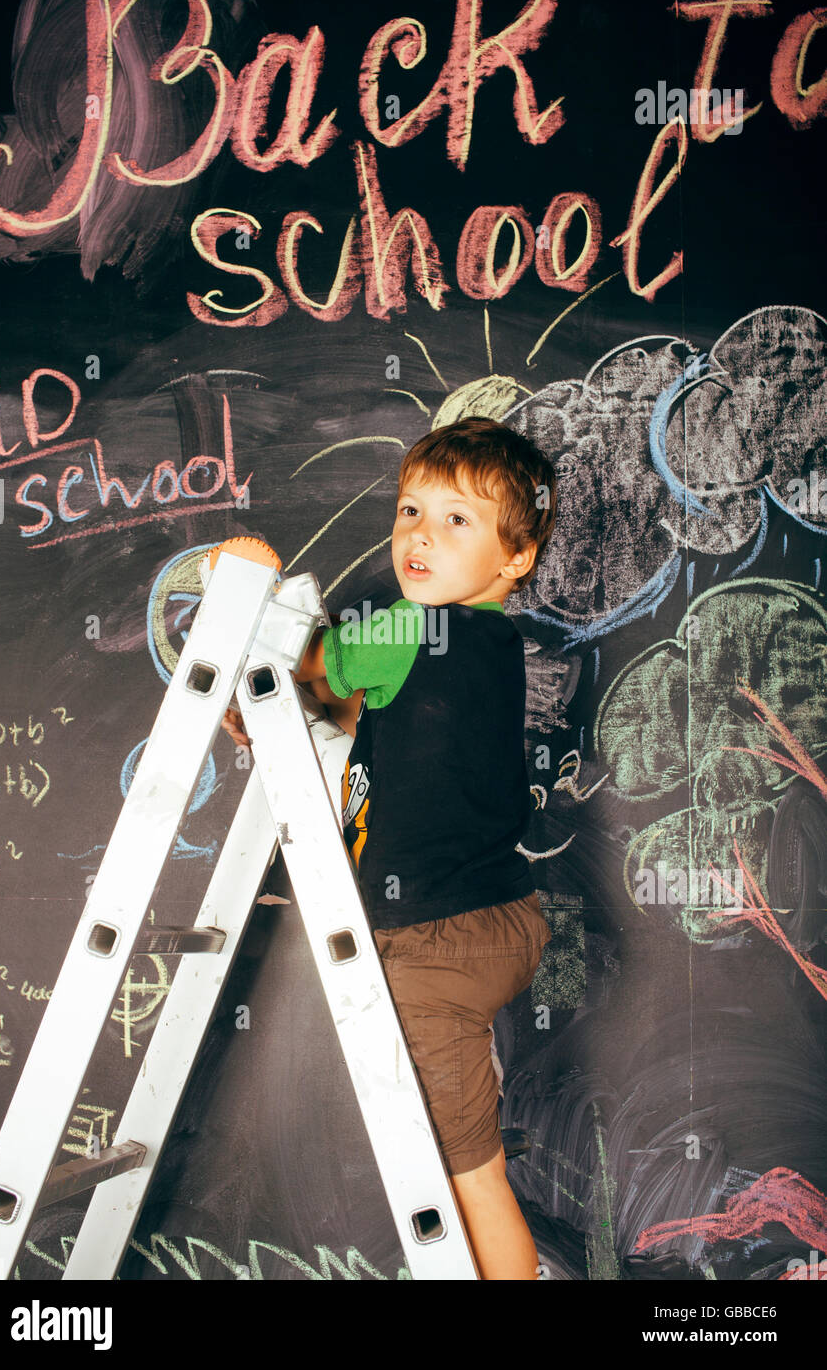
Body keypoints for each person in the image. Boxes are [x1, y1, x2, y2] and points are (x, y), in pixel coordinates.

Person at [222, 416, 557, 1279]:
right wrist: (285, 728)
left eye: (457, 521)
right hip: (500, 919)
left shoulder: (412, 633)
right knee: (459, 1146)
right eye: (410, 511)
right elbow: (362, 723)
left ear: (514, 558)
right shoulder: (477, 646)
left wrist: (252, 594)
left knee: (468, 1181)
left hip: (432, 945)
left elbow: (312, 667)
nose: (419, 535)